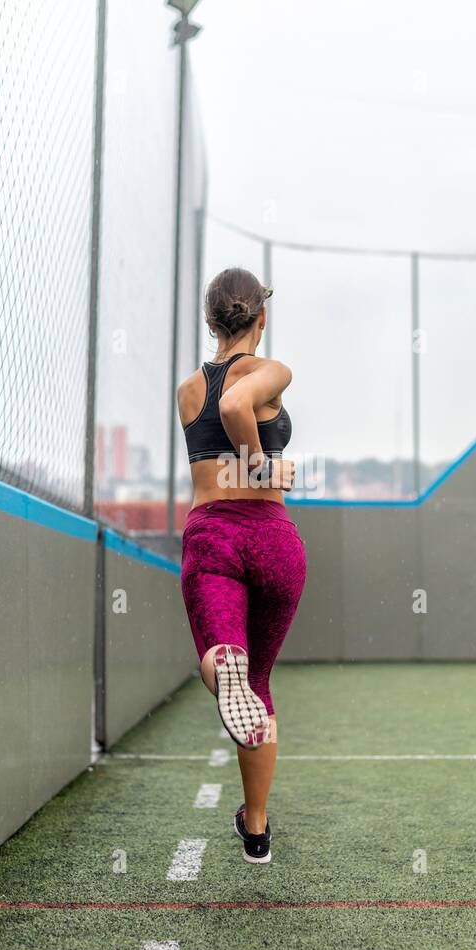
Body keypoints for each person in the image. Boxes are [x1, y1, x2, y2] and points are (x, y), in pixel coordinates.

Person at [177, 267, 306, 863]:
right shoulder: (269, 371)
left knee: (226, 655)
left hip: (215, 541)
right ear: (262, 316)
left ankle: (219, 664)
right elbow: (236, 402)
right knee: (258, 686)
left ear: (210, 322)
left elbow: (217, 402)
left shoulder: (185, 391)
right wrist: (257, 465)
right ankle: (256, 828)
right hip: (273, 541)